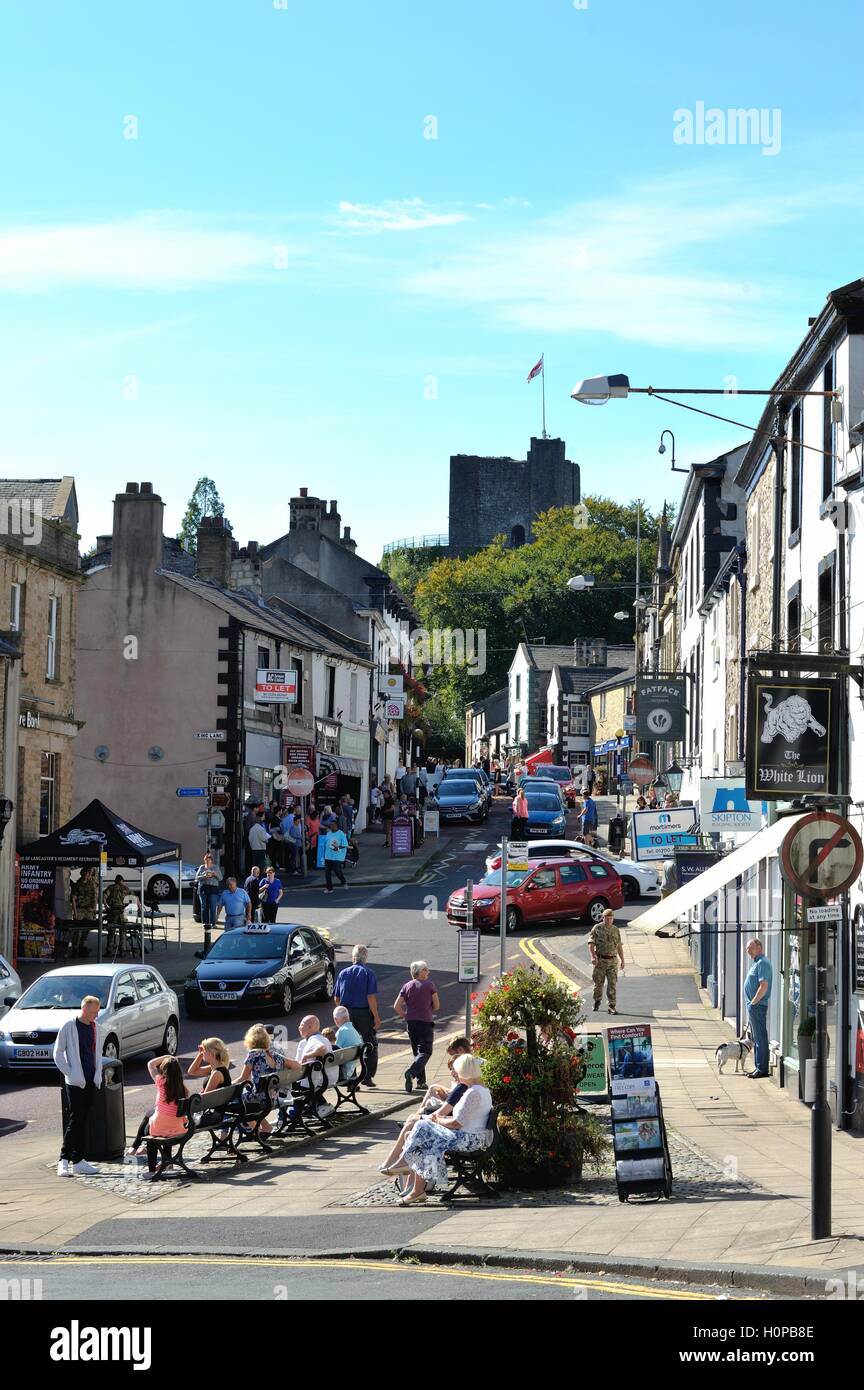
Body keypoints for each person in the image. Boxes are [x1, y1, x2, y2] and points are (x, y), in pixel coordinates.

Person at [393, 1055, 493, 1205]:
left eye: (458, 1071)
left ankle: (409, 1168)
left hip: (469, 1139)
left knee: (421, 1129)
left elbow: (456, 1123)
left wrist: (438, 1120)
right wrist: (436, 1120)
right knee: (418, 1133)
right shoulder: (479, 1089)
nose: (456, 1074)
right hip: (468, 1136)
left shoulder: (474, 1093)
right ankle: (417, 1187)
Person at [378, 1035, 471, 1173]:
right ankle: (396, 1163)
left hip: (460, 1125)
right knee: (422, 1109)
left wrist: (434, 1116)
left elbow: (456, 1109)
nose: (452, 1071)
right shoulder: (470, 1075)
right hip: (458, 1117)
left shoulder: (467, 1074)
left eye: (453, 1069)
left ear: (461, 1050)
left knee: (414, 1122)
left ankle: (394, 1163)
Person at [54, 995, 105, 1176]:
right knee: (75, 1120)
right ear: (84, 1009)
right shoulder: (69, 1026)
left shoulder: (96, 1028)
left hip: (91, 1080)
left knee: (84, 1119)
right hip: (76, 1082)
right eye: (93, 1012)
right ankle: (64, 1159)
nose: (96, 1016)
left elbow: (97, 1054)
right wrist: (70, 1073)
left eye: (97, 1012)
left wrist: (98, 1073)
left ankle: (79, 1160)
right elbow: (58, 1053)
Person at [125, 1055, 190, 1177]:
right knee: (156, 1116)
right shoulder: (183, 1089)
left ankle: (151, 1171)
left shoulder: (161, 1082)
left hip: (161, 1127)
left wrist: (168, 1056)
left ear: (164, 1072)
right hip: (177, 1128)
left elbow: (150, 1064)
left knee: (150, 1134)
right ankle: (167, 1162)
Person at [237, 1024, 302, 1135]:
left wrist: (228, 1085)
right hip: (273, 1097)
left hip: (260, 1098)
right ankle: (265, 1128)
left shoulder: (253, 1055)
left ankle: (255, 1130)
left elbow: (243, 1078)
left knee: (237, 1100)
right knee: (245, 1099)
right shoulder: (274, 1055)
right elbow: (297, 1066)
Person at [334, 944, 381, 1084]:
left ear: (353, 957)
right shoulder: (368, 973)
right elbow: (370, 998)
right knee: (370, 1044)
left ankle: (351, 1077)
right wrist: (376, 1017)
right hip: (364, 1013)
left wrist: (342, 1010)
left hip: (347, 1013)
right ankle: (367, 1077)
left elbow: (336, 998)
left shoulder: (343, 973)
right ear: (365, 957)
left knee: (349, 1045)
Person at [394, 960, 440, 1093]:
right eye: (426, 969)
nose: (428, 972)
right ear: (420, 972)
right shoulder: (430, 985)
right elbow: (437, 1006)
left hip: (411, 1023)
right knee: (426, 1051)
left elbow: (397, 1006)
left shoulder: (407, 986)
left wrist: (406, 1015)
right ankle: (411, 1073)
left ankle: (421, 1082)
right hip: (425, 1022)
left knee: (417, 1053)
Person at [294, 1014, 338, 1119]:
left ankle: (290, 1117)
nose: (299, 1027)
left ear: (309, 1027)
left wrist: (306, 1056)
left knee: (283, 1085)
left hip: (317, 1080)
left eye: (302, 1024)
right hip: (328, 1077)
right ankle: (319, 1106)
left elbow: (322, 1049)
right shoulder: (322, 1038)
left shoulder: (314, 1040)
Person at [744, 938, 773, 1079]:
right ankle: (758, 1066)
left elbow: (764, 986)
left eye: (750, 947)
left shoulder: (763, 963)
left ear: (759, 947)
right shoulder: (757, 962)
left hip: (758, 1006)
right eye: (747, 948)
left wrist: (753, 1003)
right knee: (757, 1037)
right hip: (754, 1006)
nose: (747, 950)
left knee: (760, 1037)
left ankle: (762, 1068)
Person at [589, 907, 625, 1015]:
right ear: (603, 918)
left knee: (612, 984)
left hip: (612, 961)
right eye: (607, 918)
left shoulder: (615, 930)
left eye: (611, 918)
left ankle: (611, 1005)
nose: (609, 920)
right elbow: (591, 944)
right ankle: (597, 1001)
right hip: (600, 961)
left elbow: (619, 946)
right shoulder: (597, 928)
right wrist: (592, 956)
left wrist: (622, 960)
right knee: (598, 984)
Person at [69, 867, 98, 957]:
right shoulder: (77, 885)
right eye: (85, 873)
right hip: (80, 909)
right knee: (78, 931)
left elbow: (94, 897)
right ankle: (75, 949)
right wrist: (75, 912)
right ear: (82, 874)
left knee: (86, 930)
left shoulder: (91, 884)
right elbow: (73, 899)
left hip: (88, 910)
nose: (87, 875)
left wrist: (93, 909)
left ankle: (82, 947)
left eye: (88, 874)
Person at [104, 874, 133, 955]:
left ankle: (109, 950)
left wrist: (106, 906)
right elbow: (132, 898)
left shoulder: (111, 887)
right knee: (123, 931)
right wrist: (125, 905)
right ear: (122, 881)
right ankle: (123, 950)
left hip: (113, 911)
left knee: (111, 931)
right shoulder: (126, 888)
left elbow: (104, 896)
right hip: (122, 911)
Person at [333, 1004, 364, 1079]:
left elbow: (334, 1053)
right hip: (352, 1068)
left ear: (336, 1019)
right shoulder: (353, 1030)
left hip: (344, 1072)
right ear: (348, 1017)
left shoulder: (341, 1031)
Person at [195, 853, 222, 936]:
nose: (207, 860)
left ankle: (213, 923)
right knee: (204, 907)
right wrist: (204, 875)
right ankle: (205, 923)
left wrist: (214, 874)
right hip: (203, 888)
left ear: (211, 860)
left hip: (213, 889)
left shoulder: (215, 867)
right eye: (206, 859)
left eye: (209, 859)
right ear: (204, 860)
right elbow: (196, 878)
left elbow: (220, 878)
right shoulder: (202, 867)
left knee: (213, 906)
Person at [323, 823, 349, 892]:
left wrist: (337, 848)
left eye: (333, 825)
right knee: (327, 872)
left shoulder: (341, 834)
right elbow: (326, 844)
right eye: (331, 825)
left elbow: (345, 845)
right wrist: (324, 855)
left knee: (337, 871)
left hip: (337, 856)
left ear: (337, 826)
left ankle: (344, 882)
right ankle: (329, 888)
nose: (332, 826)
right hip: (328, 856)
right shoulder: (328, 833)